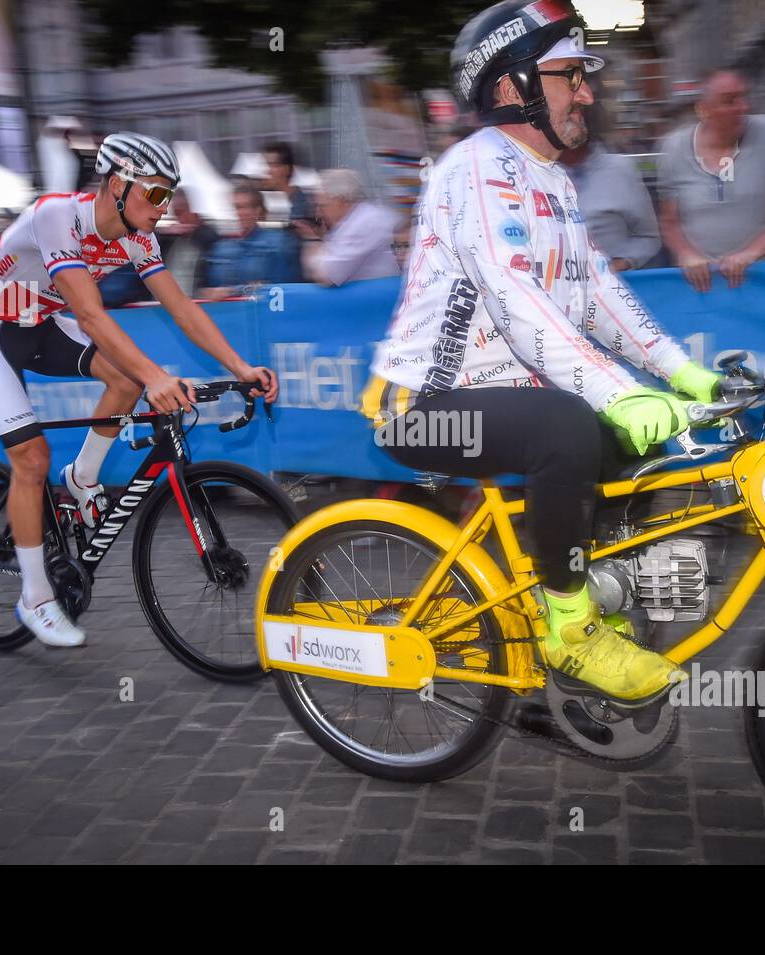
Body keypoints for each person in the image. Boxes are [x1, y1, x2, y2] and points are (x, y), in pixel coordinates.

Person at [362, 0, 727, 702]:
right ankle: (570, 631)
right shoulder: (474, 169)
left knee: (634, 442)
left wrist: (686, 375)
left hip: (501, 397)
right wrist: (619, 391)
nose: (586, 92)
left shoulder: (552, 179)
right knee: (570, 424)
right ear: (512, 86)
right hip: (420, 408)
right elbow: (515, 297)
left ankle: (583, 590)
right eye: (570, 76)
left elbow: (600, 296)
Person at [0, 132, 278, 648]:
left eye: (169, 195)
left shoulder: (137, 237)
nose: (163, 206)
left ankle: (82, 477)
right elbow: (89, 315)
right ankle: (35, 597)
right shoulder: (56, 216)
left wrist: (241, 366)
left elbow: (182, 308)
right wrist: (156, 377)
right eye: (156, 193)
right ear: (118, 185)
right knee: (31, 459)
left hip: (40, 324)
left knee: (125, 379)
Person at [657, 68, 765, 292]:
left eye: (744, 97)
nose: (743, 107)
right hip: (704, 285)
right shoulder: (674, 147)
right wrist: (687, 254)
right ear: (704, 109)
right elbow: (669, 221)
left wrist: (753, 252)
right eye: (729, 101)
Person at [561, 101, 662, 271]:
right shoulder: (535, 174)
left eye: (577, 115)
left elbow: (649, 238)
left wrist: (621, 263)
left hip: (612, 283)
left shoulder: (620, 170)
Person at [298, 169, 401, 285]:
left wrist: (312, 239)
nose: (318, 213)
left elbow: (326, 276)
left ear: (341, 201)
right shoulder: (357, 218)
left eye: (323, 206)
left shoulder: (364, 223)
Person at [201, 183, 301, 299]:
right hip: (226, 309)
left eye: (244, 207)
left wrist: (233, 291)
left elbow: (282, 288)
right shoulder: (220, 248)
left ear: (257, 210)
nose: (239, 213)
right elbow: (206, 289)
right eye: (236, 207)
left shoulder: (278, 243)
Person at [161, 191, 218, 296]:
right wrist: (165, 232)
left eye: (181, 212)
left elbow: (210, 238)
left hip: (194, 299)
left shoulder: (207, 235)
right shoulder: (171, 239)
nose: (179, 218)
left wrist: (194, 229)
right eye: (176, 213)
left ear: (192, 209)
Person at [262, 141, 316, 230]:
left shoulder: (302, 203)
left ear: (287, 169)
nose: (268, 171)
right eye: (266, 165)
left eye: (273, 165)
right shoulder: (267, 199)